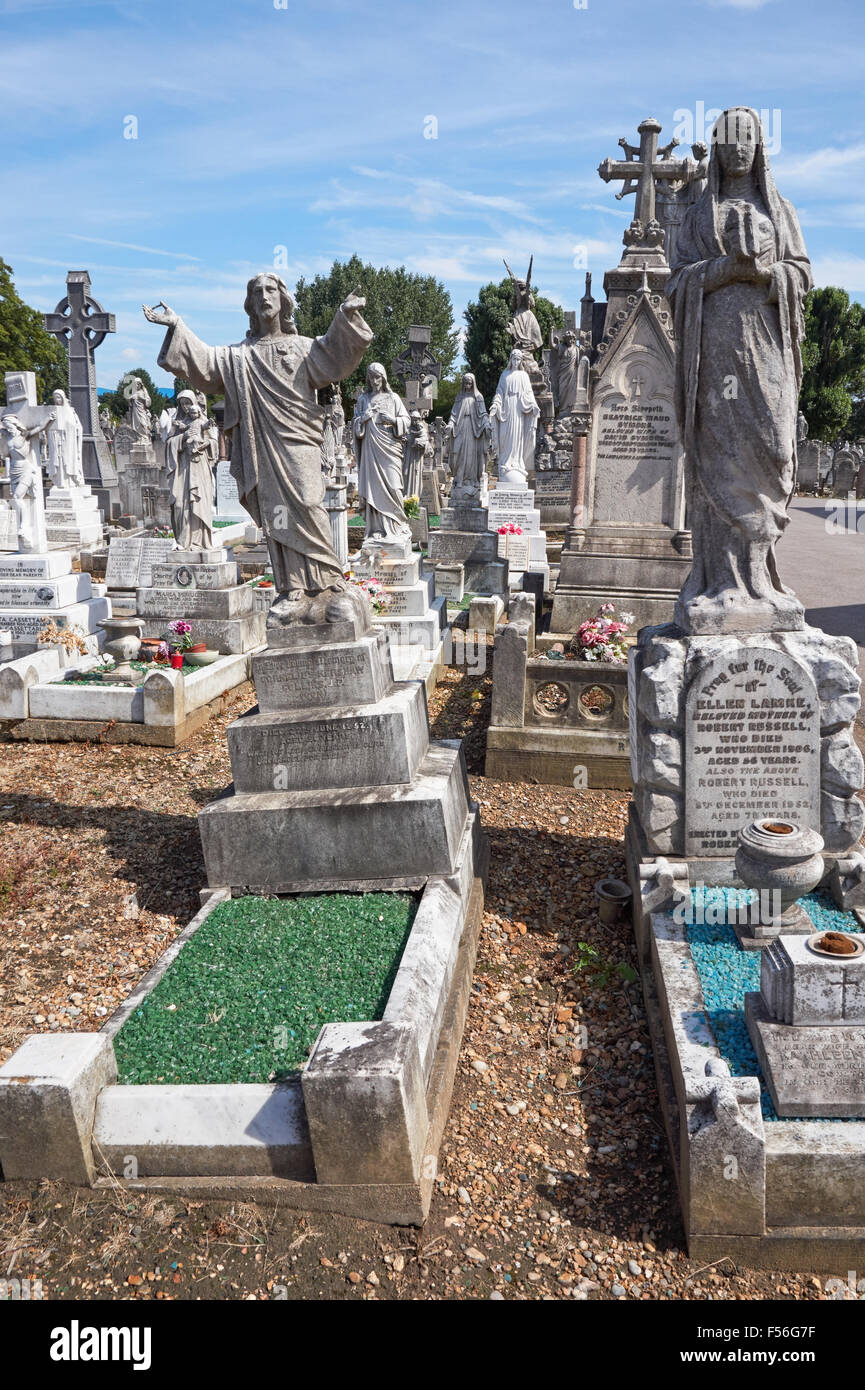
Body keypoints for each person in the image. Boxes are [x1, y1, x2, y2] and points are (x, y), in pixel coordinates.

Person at [143, 273, 373, 628]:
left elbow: (334, 356)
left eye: (271, 290)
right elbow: (205, 363)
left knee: (310, 504)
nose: (264, 296)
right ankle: (294, 591)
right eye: (256, 292)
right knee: (277, 515)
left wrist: (345, 315)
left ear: (282, 300)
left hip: (299, 443)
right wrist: (177, 326)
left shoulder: (302, 347)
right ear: (250, 304)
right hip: (261, 446)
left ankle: (330, 583)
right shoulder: (240, 357)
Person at [666, 106, 812, 631]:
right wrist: (723, 269)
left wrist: (769, 273)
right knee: (719, 457)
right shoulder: (697, 216)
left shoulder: (781, 210)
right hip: (716, 355)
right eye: (728, 139)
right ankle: (720, 581)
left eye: (747, 138)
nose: (739, 147)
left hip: (767, 354)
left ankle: (763, 579)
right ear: (718, 148)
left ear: (760, 146)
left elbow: (802, 274)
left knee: (772, 450)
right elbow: (675, 280)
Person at [352, 362, 412, 552]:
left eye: (378, 377)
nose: (375, 381)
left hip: (389, 448)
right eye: (371, 377)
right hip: (371, 449)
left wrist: (393, 420)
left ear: (384, 378)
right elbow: (355, 427)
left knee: (394, 487)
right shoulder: (363, 399)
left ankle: (397, 527)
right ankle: (377, 529)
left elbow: (406, 421)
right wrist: (363, 419)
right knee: (373, 489)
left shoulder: (393, 398)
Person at [165, 391, 217, 550]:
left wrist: (206, 444)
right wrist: (182, 437)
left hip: (199, 466)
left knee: (198, 503)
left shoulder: (203, 421)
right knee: (180, 505)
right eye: (182, 404)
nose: (186, 407)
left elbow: (214, 443)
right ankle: (183, 542)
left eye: (188, 403)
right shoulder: (178, 423)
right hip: (182, 468)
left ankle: (199, 542)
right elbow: (169, 444)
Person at [489, 350, 540, 488]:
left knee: (517, 439)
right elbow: (499, 392)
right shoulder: (504, 374)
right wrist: (495, 405)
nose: (516, 362)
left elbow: (528, 393)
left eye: (518, 360)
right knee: (505, 438)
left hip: (519, 411)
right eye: (514, 359)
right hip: (506, 411)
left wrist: (533, 405)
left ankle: (517, 463)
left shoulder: (523, 375)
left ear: (521, 361)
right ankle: (505, 463)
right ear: (510, 360)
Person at [447, 372, 490, 503]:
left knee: (472, 457)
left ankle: (472, 481)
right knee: (458, 455)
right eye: (465, 382)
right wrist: (450, 424)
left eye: (470, 383)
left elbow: (483, 414)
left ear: (473, 384)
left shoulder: (478, 397)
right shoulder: (459, 397)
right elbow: (453, 415)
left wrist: (486, 425)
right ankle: (458, 479)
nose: (467, 385)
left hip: (473, 430)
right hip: (460, 429)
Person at [45, 389, 85, 489]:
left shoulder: (70, 411)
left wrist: (67, 429)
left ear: (63, 398)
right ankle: (60, 482)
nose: (56, 400)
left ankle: (70, 482)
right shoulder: (53, 412)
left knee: (68, 461)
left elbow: (77, 427)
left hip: (68, 442)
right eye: (55, 398)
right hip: (57, 441)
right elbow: (48, 427)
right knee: (59, 462)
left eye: (58, 397)